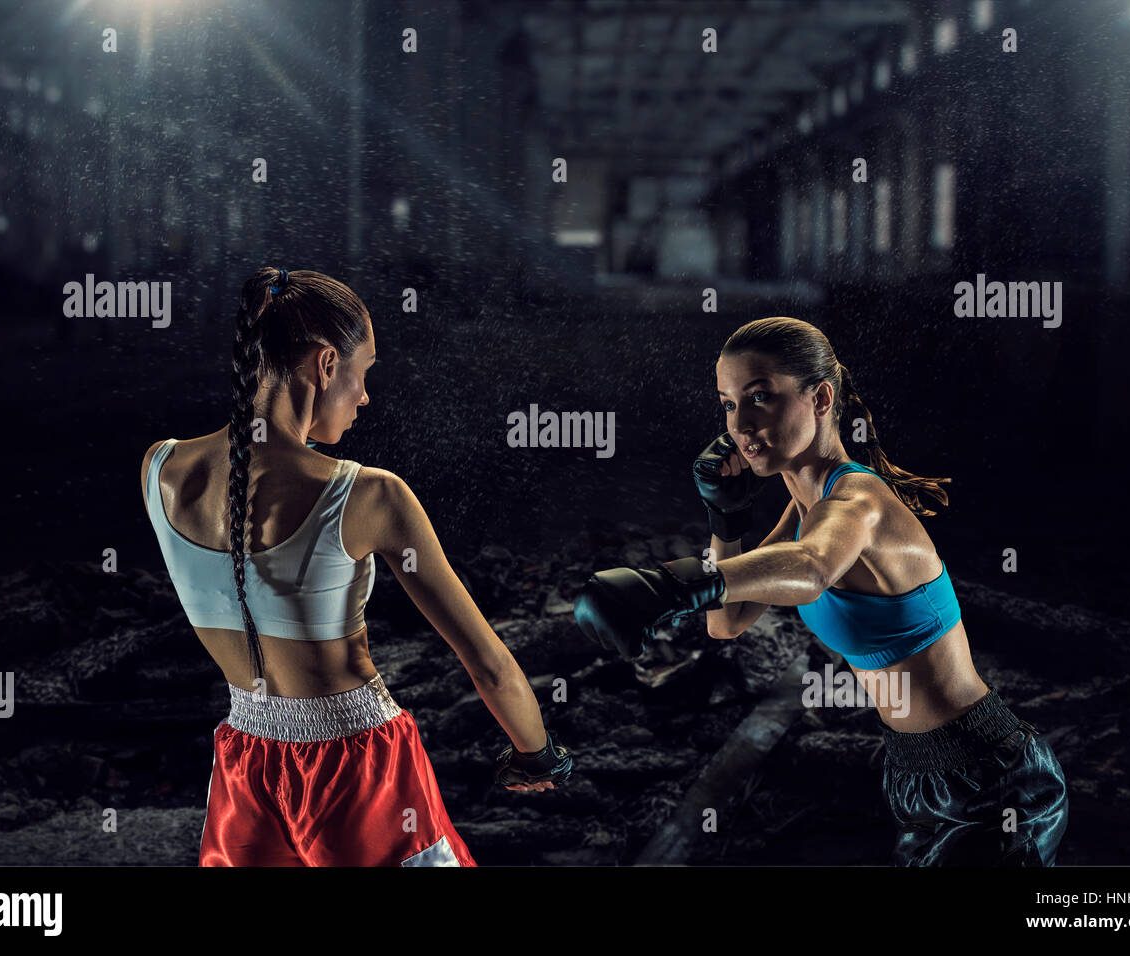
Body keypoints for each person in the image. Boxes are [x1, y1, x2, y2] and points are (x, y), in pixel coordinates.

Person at [573, 316, 1067, 866]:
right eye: (729, 403)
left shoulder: (859, 501)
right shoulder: (802, 509)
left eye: (760, 398)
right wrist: (726, 518)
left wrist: (669, 583)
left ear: (822, 397)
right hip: (911, 773)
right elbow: (727, 622)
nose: (741, 423)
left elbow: (811, 568)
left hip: (990, 776)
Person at [140, 267, 572, 867]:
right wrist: (538, 753)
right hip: (359, 767)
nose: (365, 396)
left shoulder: (160, 468)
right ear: (324, 365)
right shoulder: (370, 495)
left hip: (244, 766)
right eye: (362, 372)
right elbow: (488, 664)